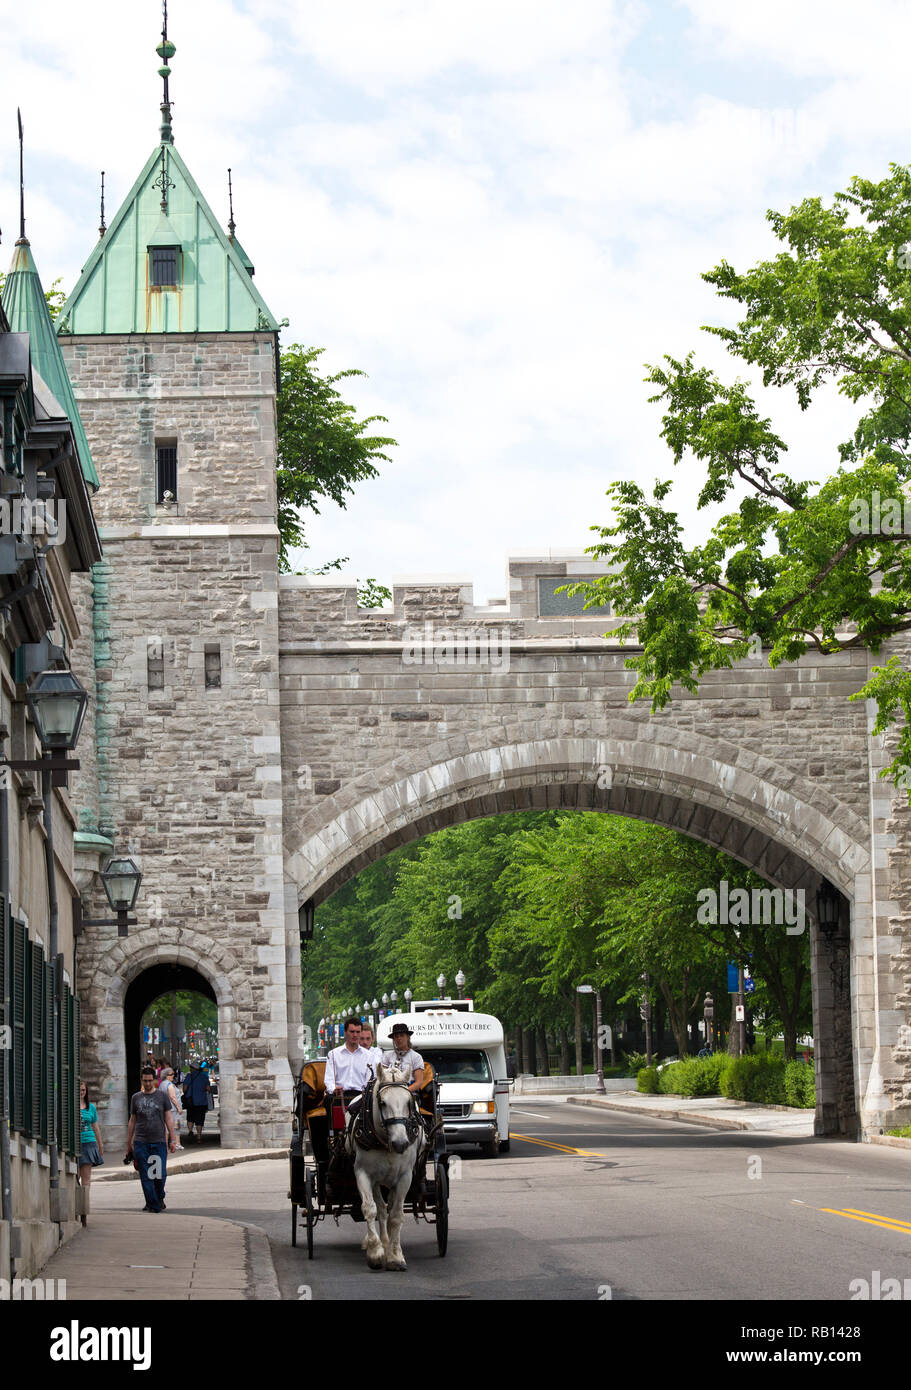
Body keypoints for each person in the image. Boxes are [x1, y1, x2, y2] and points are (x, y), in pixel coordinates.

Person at [126, 1064, 177, 1212]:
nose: (147, 1084)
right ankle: (153, 1204)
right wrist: (128, 1143)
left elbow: (168, 1118)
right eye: (145, 1081)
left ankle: (158, 1197)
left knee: (160, 1174)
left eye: (150, 1081)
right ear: (142, 1081)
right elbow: (132, 1121)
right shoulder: (136, 1098)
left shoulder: (162, 1097)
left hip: (159, 1141)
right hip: (141, 1141)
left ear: (154, 1080)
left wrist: (172, 1140)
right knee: (146, 1175)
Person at [323, 1018, 370, 1114]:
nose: (355, 1035)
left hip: (361, 1097)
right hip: (339, 1096)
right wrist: (334, 1089)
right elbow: (329, 1079)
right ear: (345, 1032)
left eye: (358, 1032)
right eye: (352, 1031)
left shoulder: (369, 1056)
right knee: (328, 1101)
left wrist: (365, 1091)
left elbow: (369, 1079)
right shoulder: (333, 1054)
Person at [78, 1081, 104, 1226]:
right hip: (75, 1145)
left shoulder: (91, 1108)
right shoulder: (71, 1106)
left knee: (86, 1180)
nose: (81, 1092)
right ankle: (76, 1206)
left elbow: (95, 1126)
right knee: (75, 1178)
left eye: (83, 1090)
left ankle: (84, 1209)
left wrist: (100, 1144)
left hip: (89, 1143)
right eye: (79, 1089)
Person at [381, 1023, 424, 1095]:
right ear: (393, 1039)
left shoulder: (416, 1057)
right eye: (396, 1036)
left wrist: (404, 1092)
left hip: (410, 1093)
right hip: (391, 1094)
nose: (399, 1038)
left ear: (408, 1037)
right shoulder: (387, 1056)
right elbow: (383, 1078)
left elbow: (419, 1082)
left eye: (402, 1035)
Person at [182, 1060, 212, 1144]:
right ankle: (199, 1136)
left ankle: (190, 1131)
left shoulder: (189, 1076)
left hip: (191, 1101)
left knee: (190, 1117)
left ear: (192, 1068)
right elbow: (208, 1089)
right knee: (200, 1119)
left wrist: (187, 1092)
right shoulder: (204, 1077)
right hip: (201, 1101)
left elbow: (184, 1089)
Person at [158, 1066, 184, 1149]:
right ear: (167, 1075)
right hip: (173, 1109)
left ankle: (165, 1145)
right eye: (172, 1074)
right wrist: (178, 1108)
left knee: (166, 1127)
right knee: (176, 1126)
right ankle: (176, 1143)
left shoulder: (162, 1084)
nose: (173, 1075)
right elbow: (172, 1097)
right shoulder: (169, 1085)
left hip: (165, 1108)